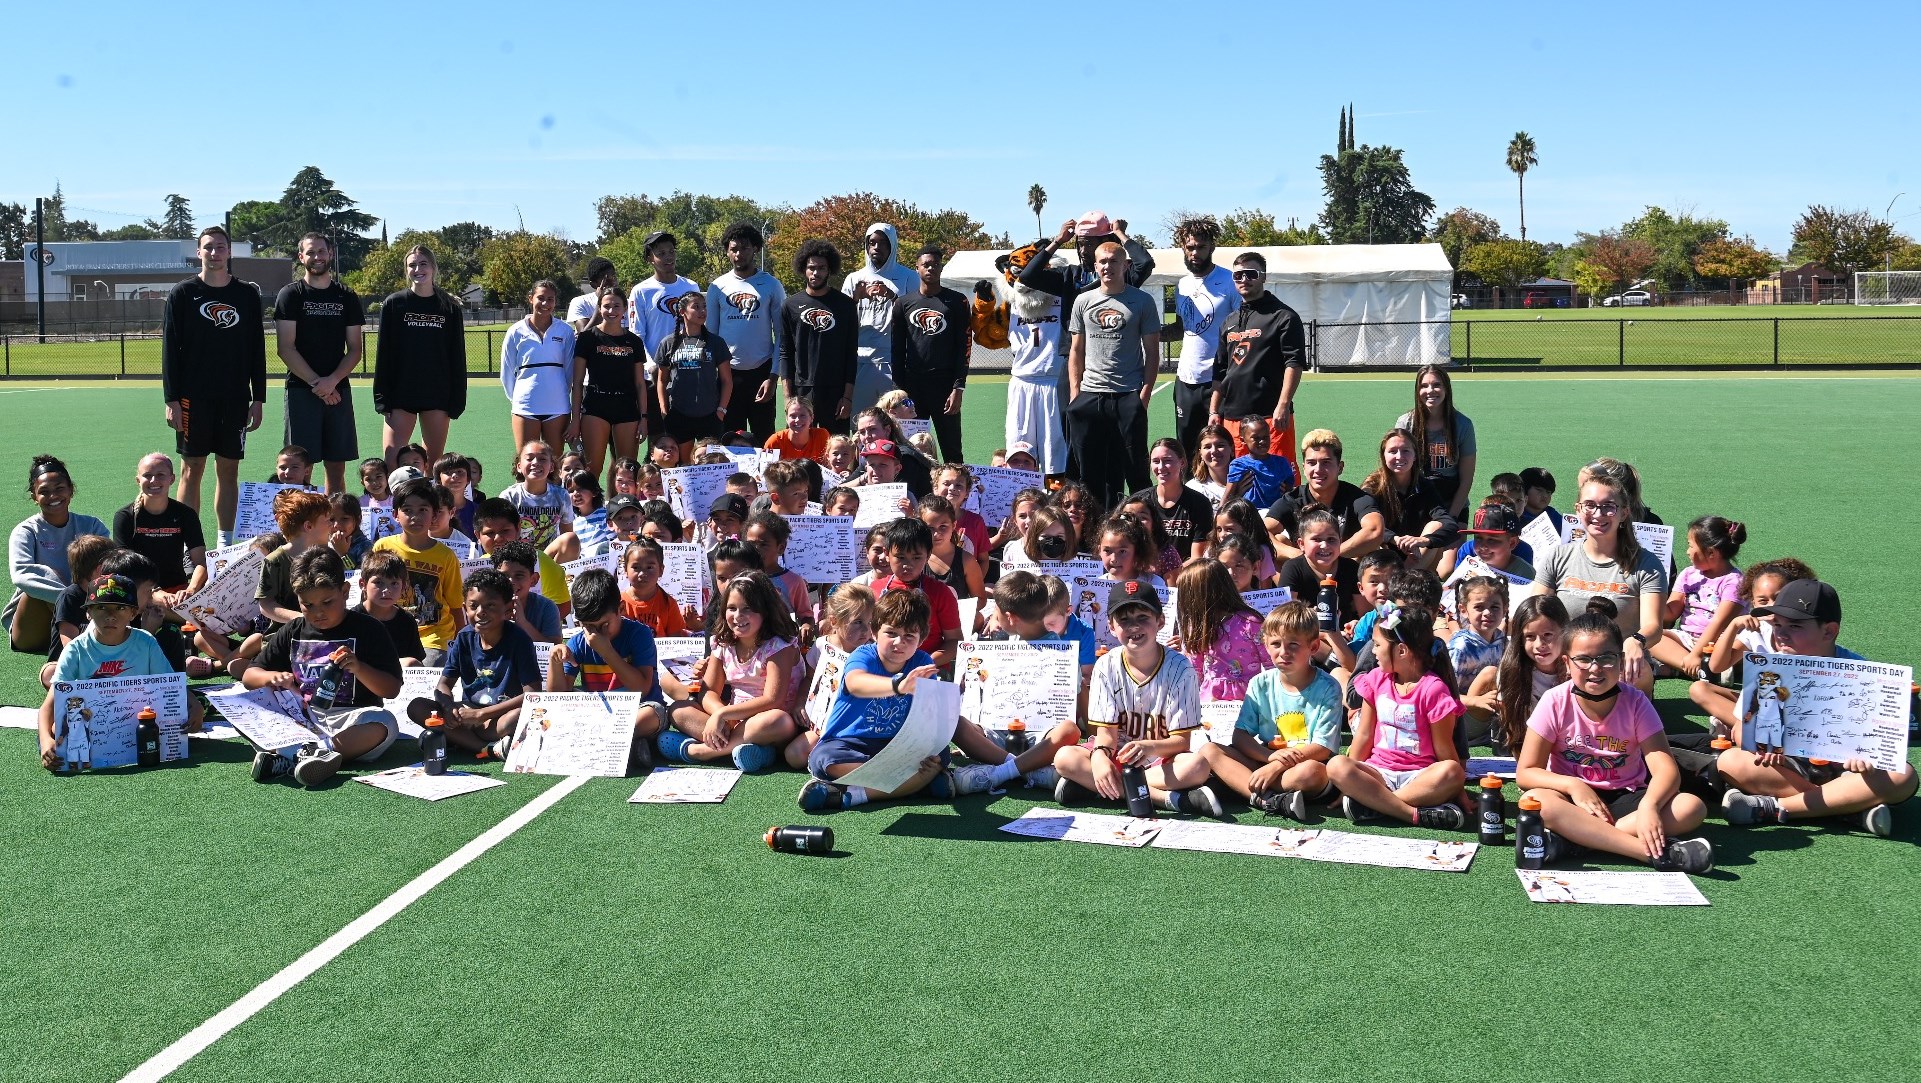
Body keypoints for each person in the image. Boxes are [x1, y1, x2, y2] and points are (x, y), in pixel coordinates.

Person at [1515, 599, 1714, 873]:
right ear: (1567, 663)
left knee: (1691, 807)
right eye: (1583, 659)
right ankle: (1651, 853)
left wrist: (1650, 806)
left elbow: (1666, 770)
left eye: (1605, 658)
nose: (1595, 668)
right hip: (1573, 802)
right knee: (1540, 803)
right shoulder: (1554, 701)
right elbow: (1526, 772)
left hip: (1626, 797)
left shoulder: (1636, 702)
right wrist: (1574, 785)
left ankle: (1578, 840)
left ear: (1620, 660)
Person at [1714, 580, 1918, 836]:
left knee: (1903, 776)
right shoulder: (1769, 668)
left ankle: (1776, 808)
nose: (1781, 634)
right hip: (1790, 769)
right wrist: (1763, 746)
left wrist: (1868, 757)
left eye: (1795, 626)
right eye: (1777, 624)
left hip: (1844, 772)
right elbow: (1741, 730)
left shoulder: (1864, 674)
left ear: (1829, 631)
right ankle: (1849, 808)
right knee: (1730, 760)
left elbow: (1881, 744)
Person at [1052, 578, 1221, 816]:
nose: (1133, 626)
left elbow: (1181, 742)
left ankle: (1097, 788)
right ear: (1111, 626)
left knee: (1197, 766)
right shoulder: (1106, 665)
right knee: (1065, 757)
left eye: (1143, 617)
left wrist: (1147, 747)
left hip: (1159, 760)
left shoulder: (1181, 668)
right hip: (1117, 755)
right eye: (1124, 620)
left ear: (1160, 621)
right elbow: (1106, 736)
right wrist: (1100, 757)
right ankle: (1169, 799)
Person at [241, 548, 403, 788]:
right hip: (302, 718)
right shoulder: (293, 629)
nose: (318, 612)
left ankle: (298, 755)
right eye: (307, 604)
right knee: (246, 707)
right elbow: (249, 676)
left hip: (349, 720)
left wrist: (359, 668)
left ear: (345, 591)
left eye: (327, 602)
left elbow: (391, 689)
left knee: (385, 723)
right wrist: (272, 677)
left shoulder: (370, 629)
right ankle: (303, 756)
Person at [799, 588, 957, 810]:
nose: (899, 642)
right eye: (891, 633)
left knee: (939, 754)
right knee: (824, 758)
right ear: (875, 631)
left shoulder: (923, 662)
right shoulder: (863, 655)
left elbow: (926, 716)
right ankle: (916, 785)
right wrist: (898, 686)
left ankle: (853, 794)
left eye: (909, 636)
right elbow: (855, 683)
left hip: (896, 744)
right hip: (851, 743)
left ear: (921, 639)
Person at [161, 226, 266, 546]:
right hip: (193, 398)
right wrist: (171, 399)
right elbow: (170, 349)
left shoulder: (246, 294)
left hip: (235, 398)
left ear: (229, 251)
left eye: (221, 247)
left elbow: (257, 349)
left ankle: (224, 543)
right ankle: (188, 544)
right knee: (192, 469)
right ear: (199, 252)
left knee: (228, 470)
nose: (214, 252)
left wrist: (258, 398)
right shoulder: (182, 293)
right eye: (208, 247)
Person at [37, 574, 208, 771]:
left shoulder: (146, 642)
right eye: (102, 607)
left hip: (139, 727)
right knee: (54, 730)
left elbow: (171, 685)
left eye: (120, 608)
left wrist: (195, 705)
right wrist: (45, 740)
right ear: (88, 613)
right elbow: (49, 704)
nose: (111, 615)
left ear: (133, 613)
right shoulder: (75, 650)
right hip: (93, 729)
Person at [1325, 602, 1468, 829]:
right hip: (1378, 773)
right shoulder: (1375, 679)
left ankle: (1375, 805)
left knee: (1453, 772)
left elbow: (1444, 749)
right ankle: (1413, 813)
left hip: (1419, 776)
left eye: (1377, 645)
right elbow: (1364, 736)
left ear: (1401, 650)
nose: (1373, 651)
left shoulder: (1433, 689)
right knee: (1336, 765)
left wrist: (1459, 791)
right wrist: (1348, 783)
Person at [1199, 601, 1343, 820]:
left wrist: (1275, 766)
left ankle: (1242, 784)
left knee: (1310, 772)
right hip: (1266, 758)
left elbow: (1323, 748)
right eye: (1276, 644)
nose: (1284, 652)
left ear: (1313, 647)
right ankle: (1269, 800)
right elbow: (1240, 736)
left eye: (1293, 645)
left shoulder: (1328, 687)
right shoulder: (1260, 683)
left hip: (1303, 766)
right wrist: (1270, 757)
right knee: (1210, 750)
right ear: (1266, 645)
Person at [1532, 470, 1666, 693]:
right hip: (1566, 660)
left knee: (1639, 669)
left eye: (1608, 506)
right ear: (1578, 509)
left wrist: (1636, 640)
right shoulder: (1557, 557)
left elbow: (1653, 627)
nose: (1598, 513)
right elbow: (1535, 613)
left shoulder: (1646, 563)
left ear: (1624, 513)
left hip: (1618, 663)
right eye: (1590, 505)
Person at [659, 571, 800, 773]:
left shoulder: (778, 647)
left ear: (766, 611)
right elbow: (708, 692)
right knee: (678, 710)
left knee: (778, 720)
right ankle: (758, 752)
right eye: (732, 608)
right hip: (733, 721)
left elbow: (773, 700)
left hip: (770, 723)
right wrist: (720, 714)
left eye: (747, 609)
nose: (738, 616)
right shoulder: (723, 643)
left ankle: (699, 751)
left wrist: (724, 714)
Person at [1066, 242, 1161, 510]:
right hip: (1090, 395)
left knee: (1135, 469)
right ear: (1095, 266)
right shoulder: (1083, 301)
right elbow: (1076, 350)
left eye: (1114, 261)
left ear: (1125, 265)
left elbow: (1152, 353)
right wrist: (1075, 393)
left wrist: (1143, 395)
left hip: (1128, 395)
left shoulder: (1142, 301)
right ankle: (1093, 527)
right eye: (1103, 262)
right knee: (1089, 473)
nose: (1108, 266)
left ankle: (1143, 524)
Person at [273, 232, 365, 494]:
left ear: (330, 254)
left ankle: (333, 517)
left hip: (338, 391)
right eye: (310, 252)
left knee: (336, 467)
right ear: (301, 257)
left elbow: (355, 349)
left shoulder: (346, 296)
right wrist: (318, 384)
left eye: (321, 251)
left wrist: (332, 382)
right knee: (300, 467)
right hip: (302, 390)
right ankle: (299, 517)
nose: (317, 257)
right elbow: (285, 348)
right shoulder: (290, 294)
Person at [373, 244, 467, 467]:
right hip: (401, 393)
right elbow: (383, 353)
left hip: (437, 393)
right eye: (412, 265)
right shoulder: (394, 303)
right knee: (392, 462)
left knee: (432, 466)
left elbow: (457, 356)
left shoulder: (450, 307)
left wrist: (457, 398)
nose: (418, 269)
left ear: (433, 267)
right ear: (406, 270)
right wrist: (382, 398)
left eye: (423, 264)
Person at [1210, 252, 1308, 464]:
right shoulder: (1229, 321)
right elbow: (1220, 371)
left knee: (1278, 476)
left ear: (1263, 276)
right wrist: (1214, 411)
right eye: (1238, 275)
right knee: (1238, 476)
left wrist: (1283, 405)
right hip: (1233, 417)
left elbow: (1294, 363)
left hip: (1270, 416)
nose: (1244, 279)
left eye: (1251, 274)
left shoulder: (1284, 316)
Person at [434, 569, 542, 760]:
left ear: (508, 610)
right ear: (465, 608)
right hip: (466, 714)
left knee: (518, 717)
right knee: (418, 707)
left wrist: (482, 714)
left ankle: (457, 739)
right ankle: (488, 749)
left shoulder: (519, 640)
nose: (480, 612)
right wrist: (449, 708)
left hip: (498, 717)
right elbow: (443, 684)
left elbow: (532, 693)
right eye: (473, 606)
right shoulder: (464, 637)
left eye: (490, 605)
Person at [8, 455, 110, 654]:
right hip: (34, 628)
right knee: (40, 581)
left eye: (59, 488)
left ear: (71, 490)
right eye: (44, 491)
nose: (53, 496)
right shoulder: (25, 531)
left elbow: (111, 566)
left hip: (85, 613)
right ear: (34, 497)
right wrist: (70, 599)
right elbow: (21, 575)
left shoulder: (92, 525)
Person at [1162, 218, 1240, 458]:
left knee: (1221, 448)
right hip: (1186, 379)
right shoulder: (1182, 285)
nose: (1195, 253)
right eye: (1190, 247)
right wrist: (1147, 332)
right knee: (1187, 449)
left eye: (1201, 247)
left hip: (1219, 380)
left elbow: (1242, 329)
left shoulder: (1230, 281)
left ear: (1212, 247)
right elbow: (1181, 328)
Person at [889, 246, 972, 464]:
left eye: (935, 264)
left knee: (952, 449)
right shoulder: (903, 304)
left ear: (941, 268)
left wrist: (958, 387)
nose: (931, 268)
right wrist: (899, 391)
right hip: (913, 387)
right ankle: (916, 484)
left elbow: (964, 346)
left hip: (945, 386)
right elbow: (897, 350)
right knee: (911, 448)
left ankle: (956, 485)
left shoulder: (958, 301)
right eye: (926, 264)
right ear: (917, 268)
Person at [705, 224, 785, 439]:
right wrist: (714, 376)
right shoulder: (717, 287)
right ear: (727, 251)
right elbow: (710, 335)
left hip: (762, 374)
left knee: (765, 439)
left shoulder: (771, 285)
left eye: (745, 248)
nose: (739, 254)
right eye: (734, 249)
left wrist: (773, 377)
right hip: (728, 376)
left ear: (755, 249)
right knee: (729, 440)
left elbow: (782, 334)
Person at [371, 478, 466, 661]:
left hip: (434, 637)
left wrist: (462, 645)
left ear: (434, 515)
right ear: (395, 515)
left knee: (426, 667)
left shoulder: (446, 556)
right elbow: (369, 595)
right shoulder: (382, 547)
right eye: (407, 510)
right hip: (389, 632)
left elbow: (455, 605)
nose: (415, 517)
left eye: (423, 510)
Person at [997, 242, 1070, 474]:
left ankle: (1056, 492)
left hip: (1054, 380)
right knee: (1018, 446)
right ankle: (1018, 492)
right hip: (1022, 381)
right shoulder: (1011, 304)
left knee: (1054, 447)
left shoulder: (1063, 297)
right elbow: (991, 334)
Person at [1468, 593, 1569, 757]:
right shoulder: (1511, 671)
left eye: (1548, 635)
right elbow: (1515, 731)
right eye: (1530, 637)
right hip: (1526, 746)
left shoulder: (1577, 669)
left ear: (1565, 632)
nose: (1539, 645)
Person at [788, 582, 875, 771]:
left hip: (854, 728)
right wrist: (800, 703)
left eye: (870, 622)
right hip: (822, 723)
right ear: (835, 621)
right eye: (858, 622)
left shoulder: (871, 653)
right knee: (793, 755)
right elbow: (809, 678)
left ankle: (852, 763)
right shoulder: (822, 645)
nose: (866, 630)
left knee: (832, 759)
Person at [1261, 429, 1385, 561]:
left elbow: (1375, 530)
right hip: (1304, 569)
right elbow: (1261, 531)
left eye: (1326, 462)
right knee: (1278, 541)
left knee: (1372, 551)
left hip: (1345, 566)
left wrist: (1330, 555)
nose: (1318, 470)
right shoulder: (1293, 499)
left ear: (1340, 467)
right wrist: (1302, 558)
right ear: (1304, 468)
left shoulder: (1357, 498)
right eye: (1311, 463)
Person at [1649, 515, 1746, 680]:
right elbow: (1671, 612)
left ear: (1711, 552)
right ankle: (1703, 670)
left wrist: (1696, 654)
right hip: (1687, 638)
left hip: (1720, 642)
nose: (1687, 552)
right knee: (1653, 638)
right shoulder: (1688, 574)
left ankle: (1687, 667)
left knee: (1743, 647)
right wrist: (1648, 595)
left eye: (1690, 546)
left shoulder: (1734, 581)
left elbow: (1718, 624)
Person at [569, 285, 647, 489]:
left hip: (626, 408)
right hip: (596, 407)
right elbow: (577, 382)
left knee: (627, 470)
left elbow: (640, 383)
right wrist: (575, 419)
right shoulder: (587, 338)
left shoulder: (634, 341)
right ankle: (588, 506)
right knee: (591, 469)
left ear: (624, 309)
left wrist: (644, 418)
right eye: (606, 306)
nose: (611, 311)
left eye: (616, 306)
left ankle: (622, 505)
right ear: (599, 308)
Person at [777, 239, 858, 436]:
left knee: (837, 446)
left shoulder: (845, 305)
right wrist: (788, 398)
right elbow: (785, 352)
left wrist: (847, 397)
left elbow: (851, 354)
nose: (816, 273)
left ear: (829, 269)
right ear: (803, 269)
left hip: (836, 391)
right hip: (802, 390)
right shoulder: (790, 305)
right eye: (811, 267)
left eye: (821, 268)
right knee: (800, 448)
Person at [840, 223, 920, 415]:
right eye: (872, 242)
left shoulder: (909, 277)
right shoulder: (853, 279)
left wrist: (892, 297)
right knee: (862, 422)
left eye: (883, 243)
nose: (877, 247)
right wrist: (854, 299)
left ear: (892, 245)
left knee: (897, 421)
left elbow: (916, 319)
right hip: (861, 361)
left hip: (894, 362)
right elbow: (842, 322)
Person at [111, 452, 204, 616]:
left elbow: (201, 562)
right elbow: (123, 567)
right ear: (138, 480)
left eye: (161, 475)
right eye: (147, 475)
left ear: (172, 479)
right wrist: (154, 591)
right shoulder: (125, 516)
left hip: (179, 591)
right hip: (141, 591)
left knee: (212, 605)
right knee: (197, 614)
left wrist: (191, 590)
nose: (154, 480)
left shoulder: (185, 514)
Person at [1360, 428, 1457, 569]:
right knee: (1369, 535)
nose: (1399, 456)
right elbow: (1363, 523)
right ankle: (1400, 578)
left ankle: (1405, 578)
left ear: (1415, 455)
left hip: (1416, 555)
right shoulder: (1372, 486)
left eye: (1405, 451)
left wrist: (1424, 540)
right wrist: (1394, 539)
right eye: (1392, 451)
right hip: (1383, 552)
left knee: (1435, 526)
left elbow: (1450, 524)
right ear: (1383, 456)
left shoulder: (1425, 486)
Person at [1173, 558, 1268, 701]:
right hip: (1210, 699)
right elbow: (1194, 670)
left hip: (1249, 698)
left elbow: (1271, 662)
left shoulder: (1250, 622)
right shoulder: (1197, 626)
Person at [654, 292, 732, 463]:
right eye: (696, 307)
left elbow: (727, 380)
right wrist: (664, 409)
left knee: (710, 465)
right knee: (684, 466)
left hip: (710, 415)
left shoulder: (716, 342)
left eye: (704, 306)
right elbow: (661, 380)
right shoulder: (668, 343)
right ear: (682, 312)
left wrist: (721, 410)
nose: (702, 311)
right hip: (679, 414)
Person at [500, 280, 577, 451]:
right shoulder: (515, 331)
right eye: (540, 298)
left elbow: (569, 370)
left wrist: (560, 393)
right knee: (526, 460)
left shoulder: (565, 331)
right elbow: (507, 370)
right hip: (525, 406)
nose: (545, 303)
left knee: (555, 462)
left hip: (558, 406)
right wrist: (519, 398)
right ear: (531, 298)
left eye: (550, 299)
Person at [1395, 364, 1476, 519]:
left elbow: (1466, 479)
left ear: (1446, 388)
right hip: (1417, 502)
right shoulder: (1406, 423)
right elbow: (1397, 472)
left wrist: (1450, 518)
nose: (1430, 390)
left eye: (1436, 385)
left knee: (1448, 535)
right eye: (1424, 386)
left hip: (1452, 504)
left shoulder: (1463, 425)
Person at [1135, 438, 1213, 563]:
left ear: (1182, 462)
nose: (1161, 467)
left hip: (1186, 572)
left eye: (1167, 461)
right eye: (1155, 461)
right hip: (1144, 571)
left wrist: (1171, 572)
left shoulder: (1199, 504)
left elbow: (1197, 557)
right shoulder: (1139, 502)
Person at [355, 550, 425, 666]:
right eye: (378, 582)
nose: (387, 590)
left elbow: (416, 664)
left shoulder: (407, 621)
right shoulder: (352, 619)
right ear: (363, 584)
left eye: (394, 583)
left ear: (403, 587)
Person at [1224, 416, 1298, 510]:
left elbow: (1290, 490)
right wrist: (1218, 516)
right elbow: (1228, 495)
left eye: (1265, 437)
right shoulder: (1238, 465)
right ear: (1243, 440)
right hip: (1250, 512)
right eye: (1256, 438)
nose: (1262, 441)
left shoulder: (1281, 462)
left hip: (1276, 513)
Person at [1187, 425, 1234, 515]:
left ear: (1231, 449)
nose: (1214, 451)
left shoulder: (1247, 480)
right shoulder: (1193, 489)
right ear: (1200, 453)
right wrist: (1234, 496)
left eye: (1220, 445)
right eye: (1207, 447)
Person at [567, 257, 619, 328]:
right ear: (593, 284)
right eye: (606, 280)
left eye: (613, 276)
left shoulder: (626, 303)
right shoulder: (581, 302)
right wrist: (600, 302)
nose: (613, 282)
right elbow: (583, 334)